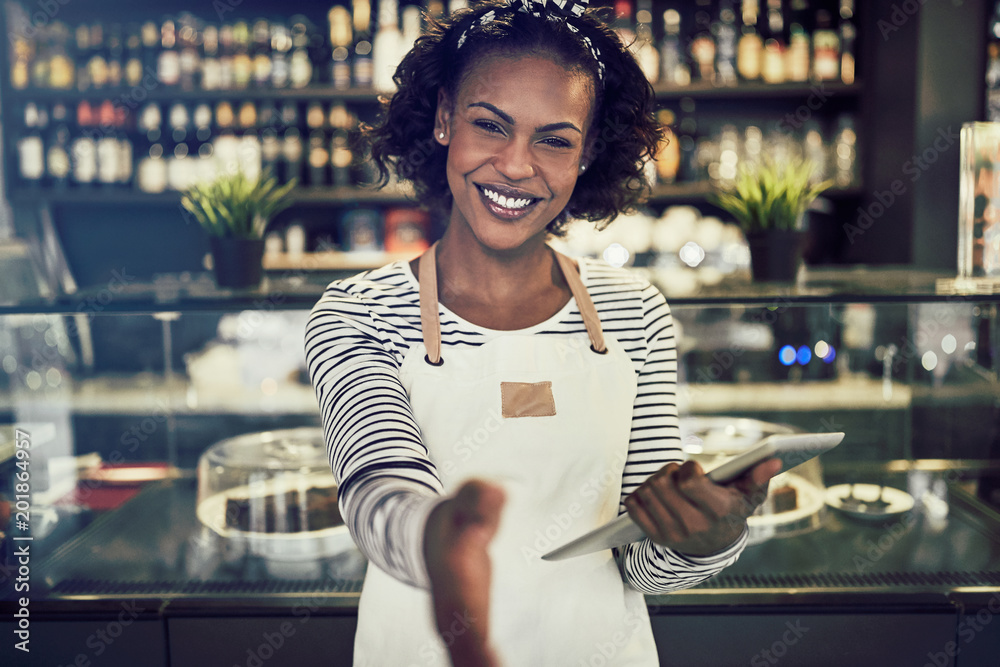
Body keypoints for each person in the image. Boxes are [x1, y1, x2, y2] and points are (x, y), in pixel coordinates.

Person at [305, 1, 779, 664]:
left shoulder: (634, 313)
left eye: (554, 139)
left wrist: (705, 537)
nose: (516, 165)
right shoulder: (357, 314)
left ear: (587, 153)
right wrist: (440, 537)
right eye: (489, 126)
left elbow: (640, 564)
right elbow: (377, 494)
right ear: (445, 118)